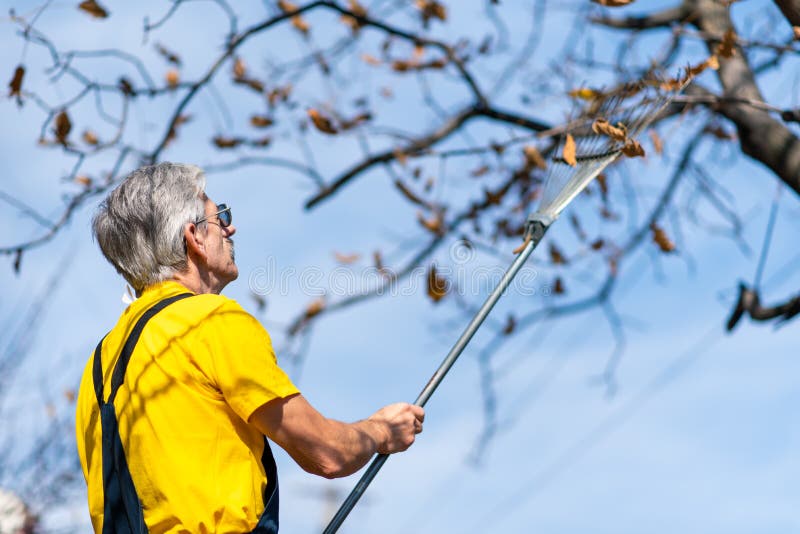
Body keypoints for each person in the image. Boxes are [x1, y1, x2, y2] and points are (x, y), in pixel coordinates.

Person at [75, 162, 424, 533]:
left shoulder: (99, 367)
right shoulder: (208, 321)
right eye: (220, 216)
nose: (230, 227)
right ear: (193, 237)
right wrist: (382, 431)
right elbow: (326, 452)